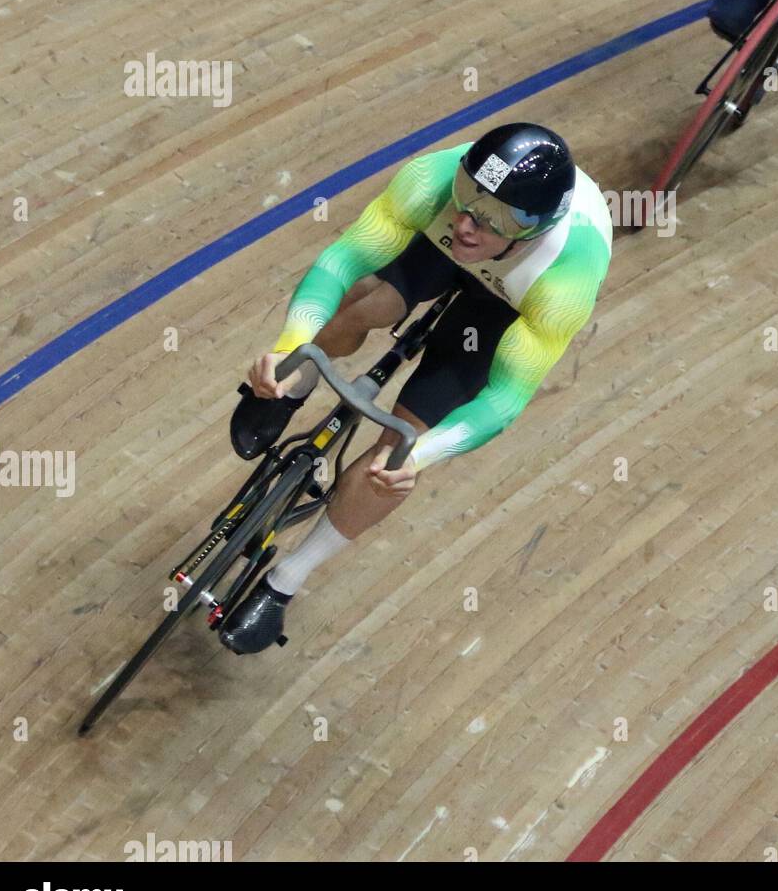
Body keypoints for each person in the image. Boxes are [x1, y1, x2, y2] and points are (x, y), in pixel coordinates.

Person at [218, 123, 613, 654]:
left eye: (492, 218)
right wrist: (292, 344)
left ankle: (285, 581)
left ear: (532, 230)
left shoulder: (564, 279)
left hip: (507, 305)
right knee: (362, 300)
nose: (470, 224)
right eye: (467, 197)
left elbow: (505, 400)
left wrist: (421, 455)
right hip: (436, 252)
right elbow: (341, 262)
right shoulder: (432, 181)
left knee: (394, 456)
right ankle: (294, 386)